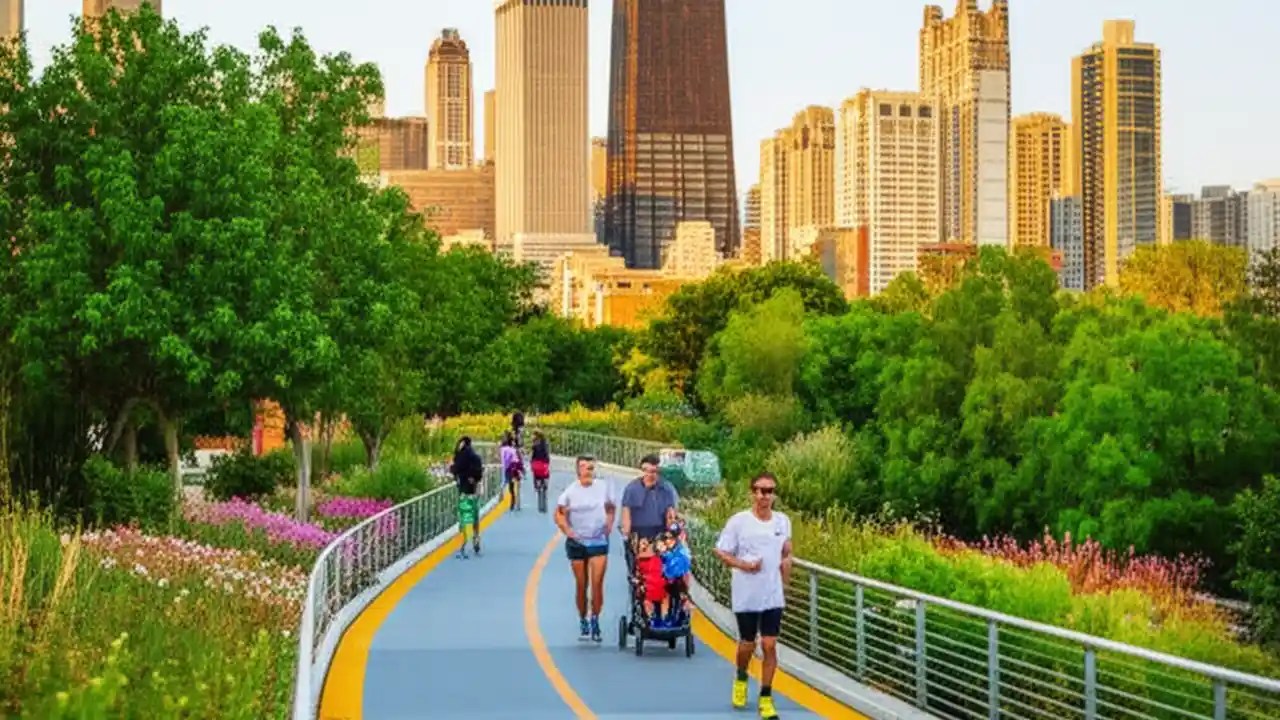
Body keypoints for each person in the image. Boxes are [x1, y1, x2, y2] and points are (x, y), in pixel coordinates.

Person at [713, 472, 792, 720]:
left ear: (774, 494)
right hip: (746, 593)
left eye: (768, 491)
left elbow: (786, 551)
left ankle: (766, 698)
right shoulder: (739, 521)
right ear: (752, 493)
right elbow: (720, 551)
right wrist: (743, 565)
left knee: (769, 644)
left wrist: (785, 580)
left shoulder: (782, 521)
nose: (763, 495)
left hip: (772, 594)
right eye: (758, 490)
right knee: (748, 644)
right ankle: (741, 675)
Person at [555, 455, 615, 643]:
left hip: (598, 541)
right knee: (582, 585)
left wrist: (609, 524)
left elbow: (611, 507)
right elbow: (559, 515)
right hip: (578, 543)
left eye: (591, 467)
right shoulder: (570, 492)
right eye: (584, 467)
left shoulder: (603, 487)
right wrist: (568, 530)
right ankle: (583, 618)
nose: (588, 471)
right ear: (578, 470)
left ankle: (595, 618)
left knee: (597, 584)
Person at [619, 453, 679, 542]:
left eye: (654, 471)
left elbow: (670, 513)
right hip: (638, 532)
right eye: (646, 471)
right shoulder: (632, 489)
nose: (650, 475)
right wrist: (626, 535)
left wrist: (672, 530)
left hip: (660, 532)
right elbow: (626, 513)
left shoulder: (667, 489)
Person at [450, 436, 485, 559]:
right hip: (474, 491)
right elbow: (480, 474)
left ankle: (463, 543)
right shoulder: (476, 457)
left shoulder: (460, 457)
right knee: (475, 515)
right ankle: (476, 537)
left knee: (464, 516)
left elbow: (454, 470)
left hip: (463, 490)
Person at [499, 432, 522, 511]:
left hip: (508, 469)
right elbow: (518, 459)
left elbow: (503, 461)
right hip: (515, 468)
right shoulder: (514, 449)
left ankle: (510, 503)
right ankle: (517, 503)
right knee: (515, 485)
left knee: (509, 486)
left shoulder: (503, 449)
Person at [530, 431, 551, 512]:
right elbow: (547, 455)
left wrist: (531, 462)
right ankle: (545, 484)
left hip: (537, 465)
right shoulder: (546, 444)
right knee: (546, 475)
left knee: (535, 475)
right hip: (544, 464)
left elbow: (532, 456)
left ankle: (537, 486)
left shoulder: (534, 445)